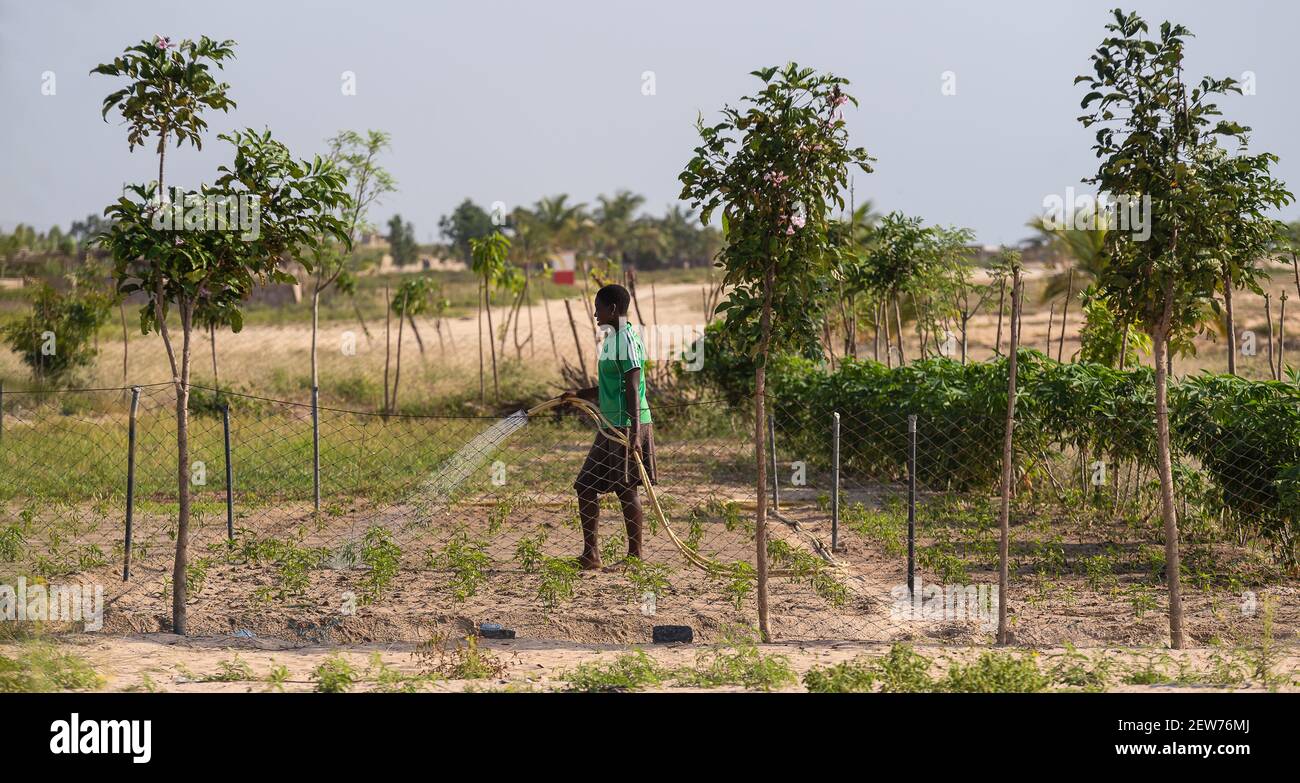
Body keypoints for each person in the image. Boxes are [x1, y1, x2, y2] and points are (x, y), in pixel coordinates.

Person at [563, 283, 655, 571]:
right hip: (610, 425)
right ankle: (591, 555)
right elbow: (610, 384)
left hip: (627, 425)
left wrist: (635, 433)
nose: (594, 313)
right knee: (585, 486)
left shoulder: (626, 340)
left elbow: (632, 384)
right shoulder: (613, 340)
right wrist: (578, 395)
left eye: (598, 307)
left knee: (626, 489)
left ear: (613, 309)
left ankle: (635, 558)